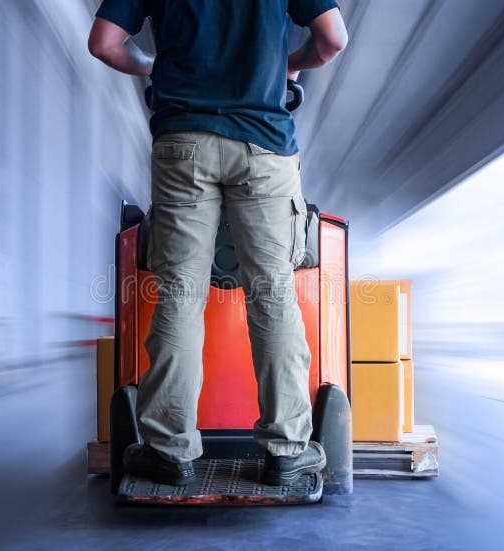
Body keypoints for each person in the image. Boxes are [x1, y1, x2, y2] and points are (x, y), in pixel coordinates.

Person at [89, 0, 347, 486]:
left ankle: (169, 450)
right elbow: (333, 38)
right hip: (265, 144)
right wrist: (288, 63)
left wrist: (150, 66)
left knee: (179, 295)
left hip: (182, 140)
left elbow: (103, 43)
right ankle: (288, 449)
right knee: (272, 294)